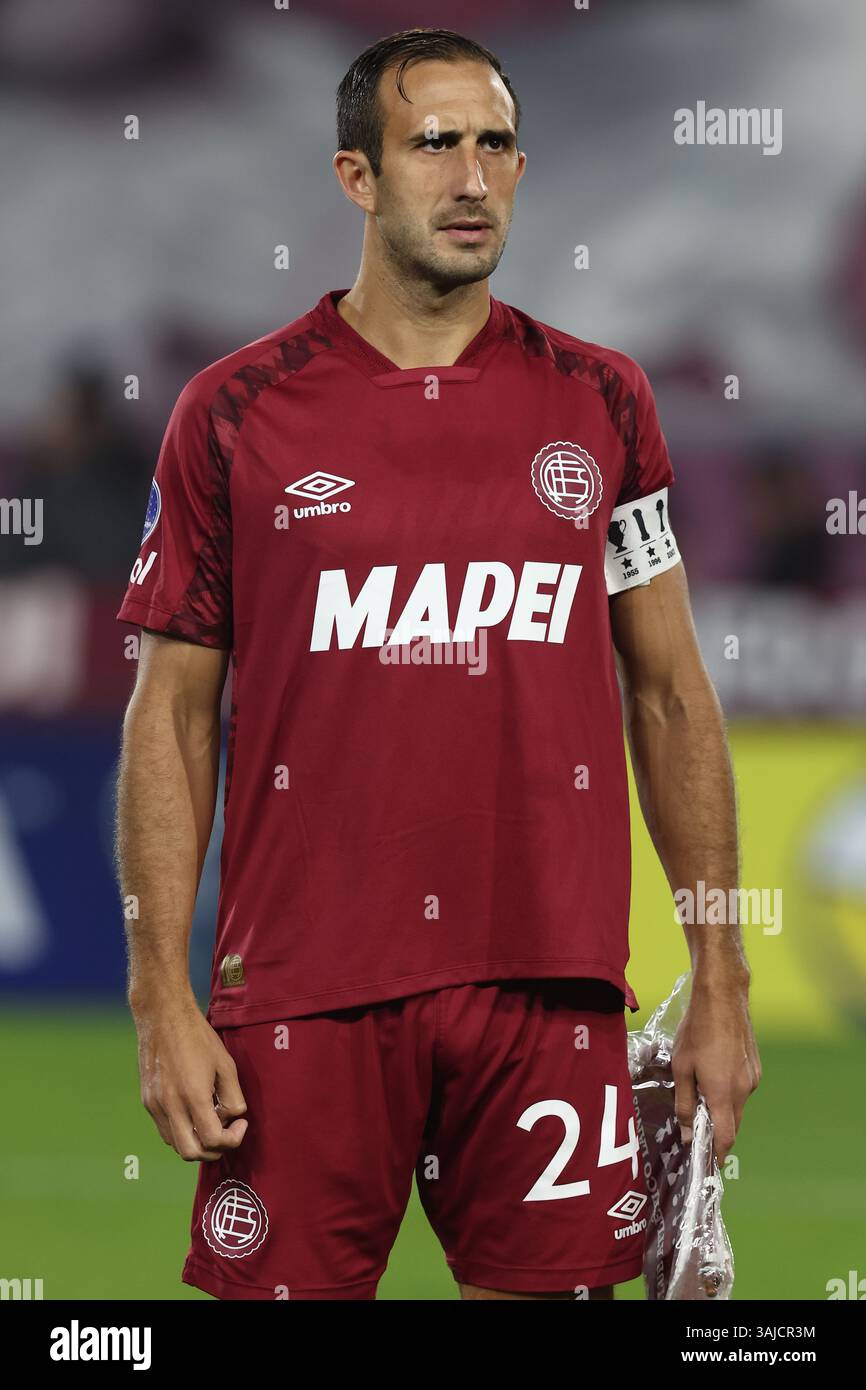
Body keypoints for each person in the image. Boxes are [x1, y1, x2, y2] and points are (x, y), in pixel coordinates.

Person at [115, 27, 760, 1302]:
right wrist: (159, 1000)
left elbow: (671, 695)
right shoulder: (233, 413)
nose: (470, 178)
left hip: (548, 991)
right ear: (357, 176)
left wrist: (720, 982)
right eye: (433, 145)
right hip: (304, 998)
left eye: (494, 144)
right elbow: (172, 714)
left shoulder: (602, 401)